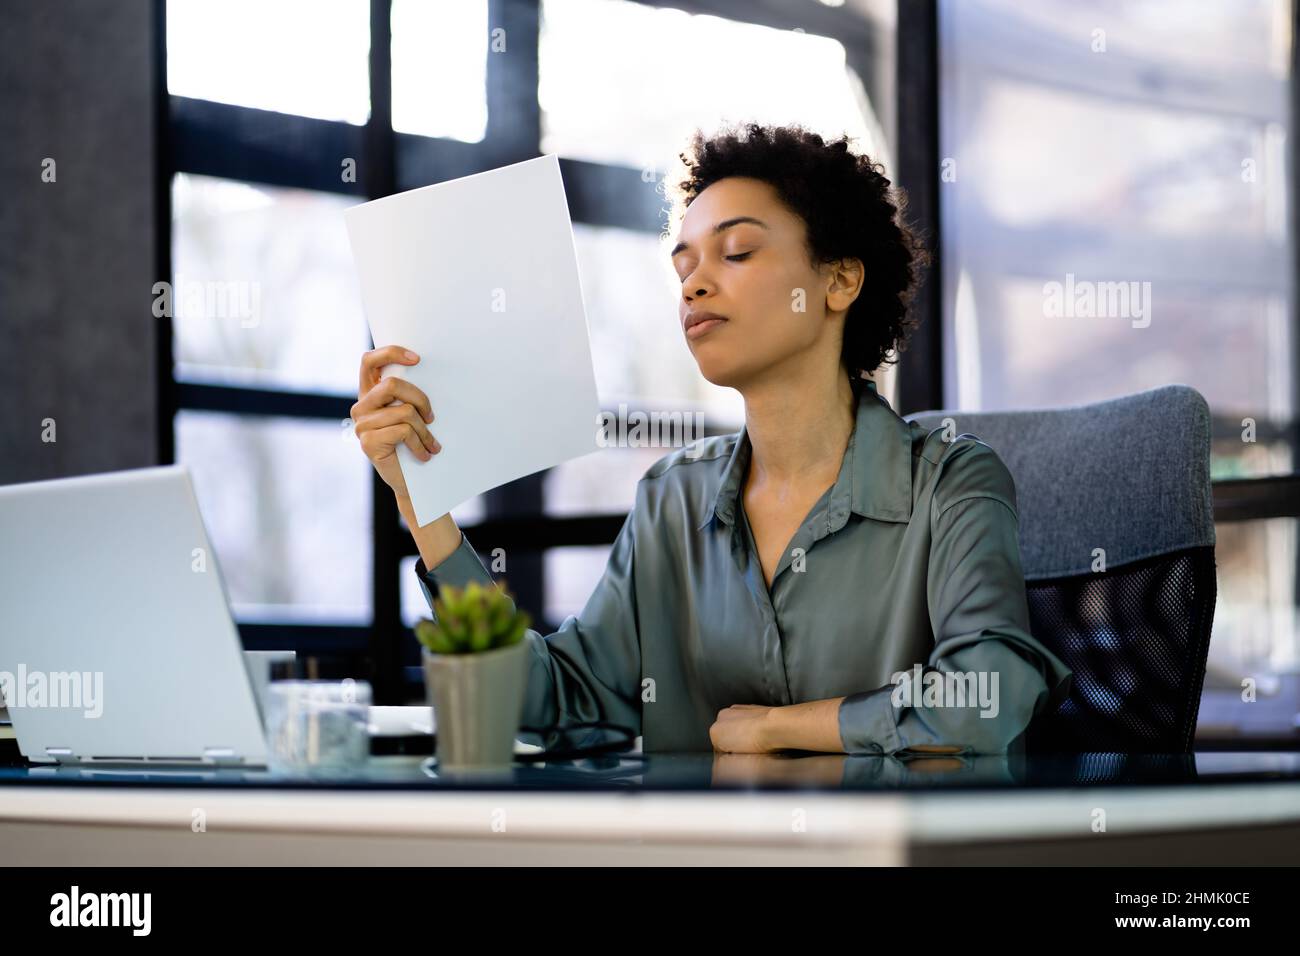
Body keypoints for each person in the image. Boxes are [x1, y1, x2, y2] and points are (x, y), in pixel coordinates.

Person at [350, 122, 1072, 755]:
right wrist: (427, 510)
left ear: (841, 279)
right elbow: (557, 702)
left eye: (736, 253)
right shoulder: (673, 498)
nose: (694, 284)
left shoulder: (949, 484)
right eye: (685, 263)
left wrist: (779, 727)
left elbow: (992, 692)